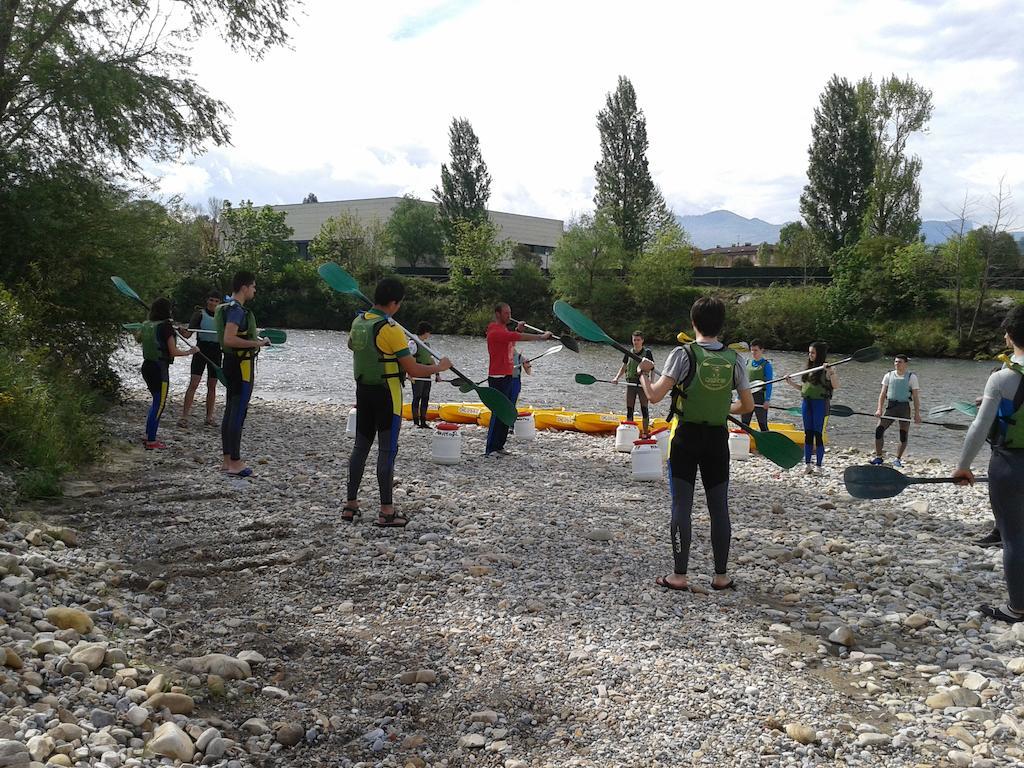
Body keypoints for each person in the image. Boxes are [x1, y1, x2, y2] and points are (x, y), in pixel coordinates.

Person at [639, 297, 754, 592]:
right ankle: (721, 576)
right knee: (719, 508)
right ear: (721, 325)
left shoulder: (682, 354)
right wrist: (720, 407)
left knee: (681, 505)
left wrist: (644, 373)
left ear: (693, 323)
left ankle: (679, 575)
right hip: (717, 439)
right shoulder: (734, 359)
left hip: (686, 437)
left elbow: (653, 396)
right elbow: (747, 405)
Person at [343, 278, 451, 526]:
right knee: (387, 449)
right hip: (386, 394)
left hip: (363, 392)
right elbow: (412, 369)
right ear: (393, 303)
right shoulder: (391, 330)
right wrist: (439, 366)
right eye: (399, 303)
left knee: (361, 447)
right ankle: (386, 511)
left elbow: (354, 347)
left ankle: (350, 505)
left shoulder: (358, 322)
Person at [952, 305, 1024, 623]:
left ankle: (1017, 608)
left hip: (1010, 465)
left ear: (1009, 337)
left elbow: (979, 428)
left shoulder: (1001, 378)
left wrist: (963, 466)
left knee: (1013, 537)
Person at [216, 271, 270, 477]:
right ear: (245, 287)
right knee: (237, 412)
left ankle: (227, 460)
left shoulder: (227, 308)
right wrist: (257, 343)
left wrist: (256, 339)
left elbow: (233, 337)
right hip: (241, 367)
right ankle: (235, 463)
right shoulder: (237, 310)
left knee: (231, 410)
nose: (255, 290)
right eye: (254, 287)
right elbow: (230, 339)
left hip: (230, 363)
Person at [484, 304, 551, 457]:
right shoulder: (494, 330)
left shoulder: (504, 330)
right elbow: (515, 338)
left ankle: (499, 446)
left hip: (508, 375)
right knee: (498, 412)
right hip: (497, 377)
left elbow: (511, 342)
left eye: (510, 312)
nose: (509, 315)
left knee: (507, 411)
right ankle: (491, 449)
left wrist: (518, 330)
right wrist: (540, 337)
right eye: (506, 313)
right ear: (498, 314)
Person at [139, 298, 197, 449]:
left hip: (147, 367)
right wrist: (190, 352)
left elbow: (139, 338)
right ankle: (151, 440)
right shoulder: (166, 327)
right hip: (159, 369)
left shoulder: (147, 325)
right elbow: (173, 351)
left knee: (155, 402)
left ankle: (148, 434)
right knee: (159, 404)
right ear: (167, 311)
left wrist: (172, 330)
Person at [785, 342, 839, 475]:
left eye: (813, 353)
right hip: (807, 403)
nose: (810, 355)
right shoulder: (808, 369)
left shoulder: (827, 369)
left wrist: (831, 372)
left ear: (819, 354)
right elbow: (803, 389)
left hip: (820, 404)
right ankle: (807, 465)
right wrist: (790, 382)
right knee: (808, 434)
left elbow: (836, 385)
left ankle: (819, 466)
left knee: (818, 434)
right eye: (809, 352)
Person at [179, 291, 224, 427]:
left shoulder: (223, 316)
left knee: (212, 385)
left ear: (220, 303)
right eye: (211, 300)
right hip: (200, 351)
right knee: (194, 383)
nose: (213, 303)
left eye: (216, 301)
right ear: (207, 301)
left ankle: (209, 417)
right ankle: (184, 417)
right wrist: (180, 330)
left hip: (216, 351)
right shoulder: (199, 315)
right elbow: (187, 335)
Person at [870, 354, 922, 468]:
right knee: (879, 430)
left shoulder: (912, 377)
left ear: (905, 364)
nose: (897, 364)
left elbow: (916, 397)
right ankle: (878, 457)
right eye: (896, 362)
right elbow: (883, 393)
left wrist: (917, 414)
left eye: (899, 362)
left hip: (904, 408)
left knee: (903, 435)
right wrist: (879, 409)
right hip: (891, 407)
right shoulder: (888, 375)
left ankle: (897, 459)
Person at [612, 331, 654, 435]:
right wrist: (616, 378)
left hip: (642, 384)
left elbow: (653, 368)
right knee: (629, 408)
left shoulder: (647, 353)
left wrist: (652, 383)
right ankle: (629, 432)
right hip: (630, 383)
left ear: (642, 341)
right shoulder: (628, 352)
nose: (636, 342)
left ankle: (645, 433)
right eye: (634, 340)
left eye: (638, 340)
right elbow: (624, 367)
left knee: (644, 408)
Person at [407, 322, 440, 428]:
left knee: (425, 397)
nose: (429, 335)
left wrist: (437, 374)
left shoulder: (427, 345)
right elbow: (408, 360)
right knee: (417, 396)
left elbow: (431, 360)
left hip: (427, 374)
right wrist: (409, 373)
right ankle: (416, 422)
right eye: (429, 333)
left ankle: (423, 421)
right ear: (425, 332)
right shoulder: (413, 343)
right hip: (417, 373)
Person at [742, 339, 773, 432]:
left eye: (756, 350)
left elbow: (769, 384)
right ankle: (743, 444)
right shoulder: (747, 363)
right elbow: (743, 382)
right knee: (744, 424)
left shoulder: (766, 365)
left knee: (762, 424)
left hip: (760, 397)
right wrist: (740, 397)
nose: (753, 352)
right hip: (747, 396)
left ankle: (767, 445)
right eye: (752, 350)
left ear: (761, 350)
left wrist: (767, 400)